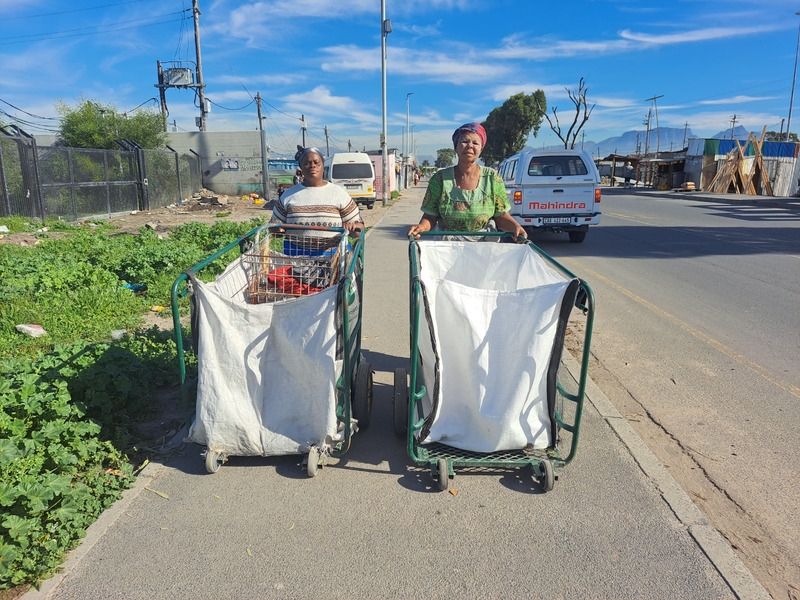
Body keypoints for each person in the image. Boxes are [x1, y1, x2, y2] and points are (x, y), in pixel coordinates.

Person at [407, 122, 526, 241]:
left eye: (475, 143)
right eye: (464, 141)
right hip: (446, 249)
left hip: (484, 250)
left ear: (481, 149)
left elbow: (501, 217)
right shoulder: (439, 179)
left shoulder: (492, 178)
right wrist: (421, 227)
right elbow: (430, 216)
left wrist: (515, 227)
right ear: (455, 147)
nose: (470, 146)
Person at [271, 147, 364, 256]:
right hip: (296, 257)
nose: (312, 166)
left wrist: (353, 227)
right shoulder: (288, 195)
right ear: (301, 168)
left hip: (334, 258)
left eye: (316, 163)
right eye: (307, 163)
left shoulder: (339, 193)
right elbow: (274, 230)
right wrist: (276, 227)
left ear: (323, 166)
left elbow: (359, 229)